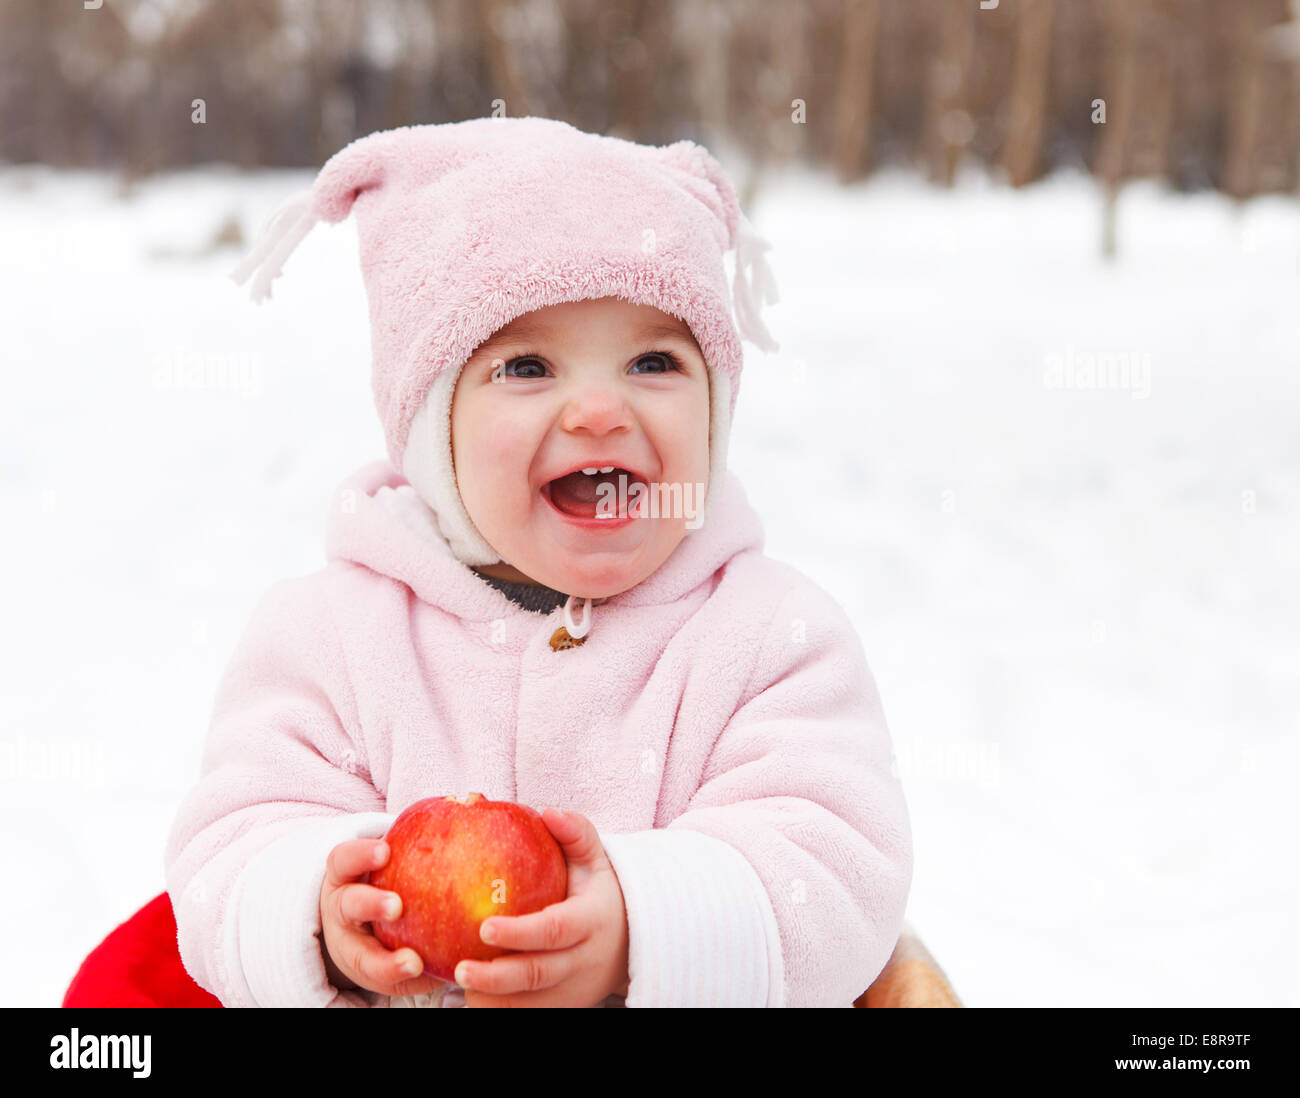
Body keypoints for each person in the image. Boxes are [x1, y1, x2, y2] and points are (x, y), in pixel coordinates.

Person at [163, 116, 913, 1007]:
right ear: (435, 430)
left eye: (653, 360)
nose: (599, 409)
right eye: (525, 366)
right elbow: (229, 843)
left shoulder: (768, 636)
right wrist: (317, 916)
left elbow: (837, 870)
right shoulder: (330, 638)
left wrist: (645, 930)